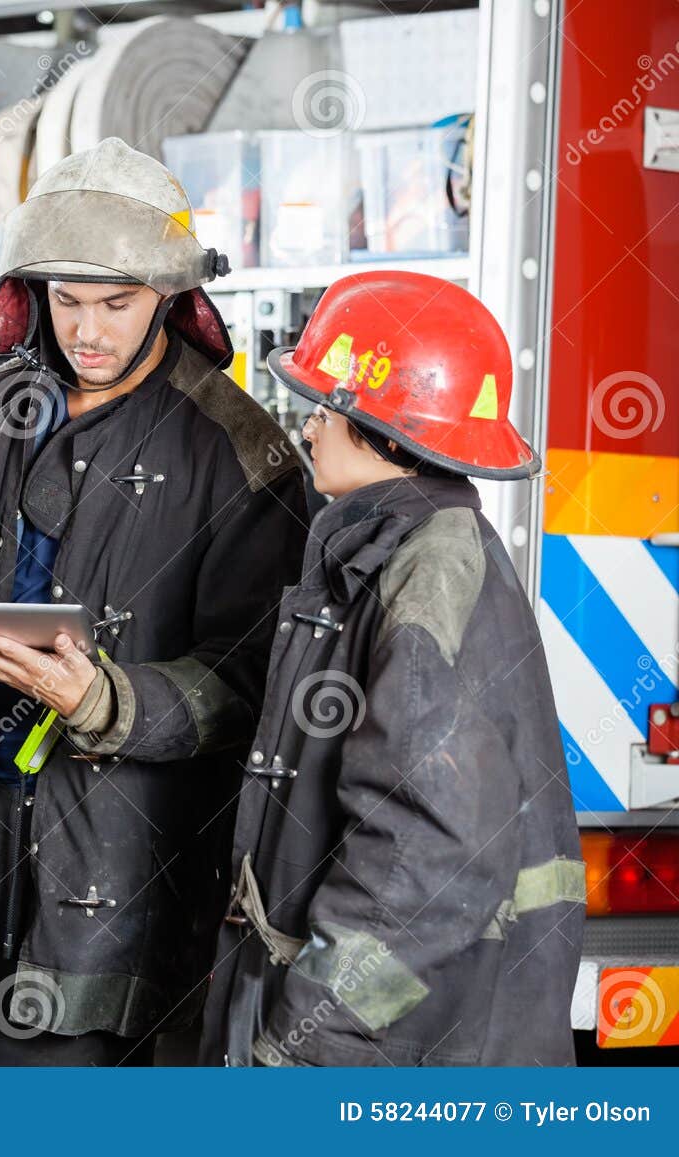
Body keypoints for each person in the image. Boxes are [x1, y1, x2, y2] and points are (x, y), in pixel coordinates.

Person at [0, 138, 309, 1065]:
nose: (87, 330)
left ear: (171, 299)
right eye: (66, 300)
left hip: (111, 900)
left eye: (116, 303)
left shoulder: (240, 457)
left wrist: (106, 703)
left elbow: (256, 681)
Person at [199, 271, 585, 1066]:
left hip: (415, 1055)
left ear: (380, 425)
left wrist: (313, 1037)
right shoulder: (392, 546)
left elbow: (428, 857)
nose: (306, 430)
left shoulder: (429, 568)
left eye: (323, 409)